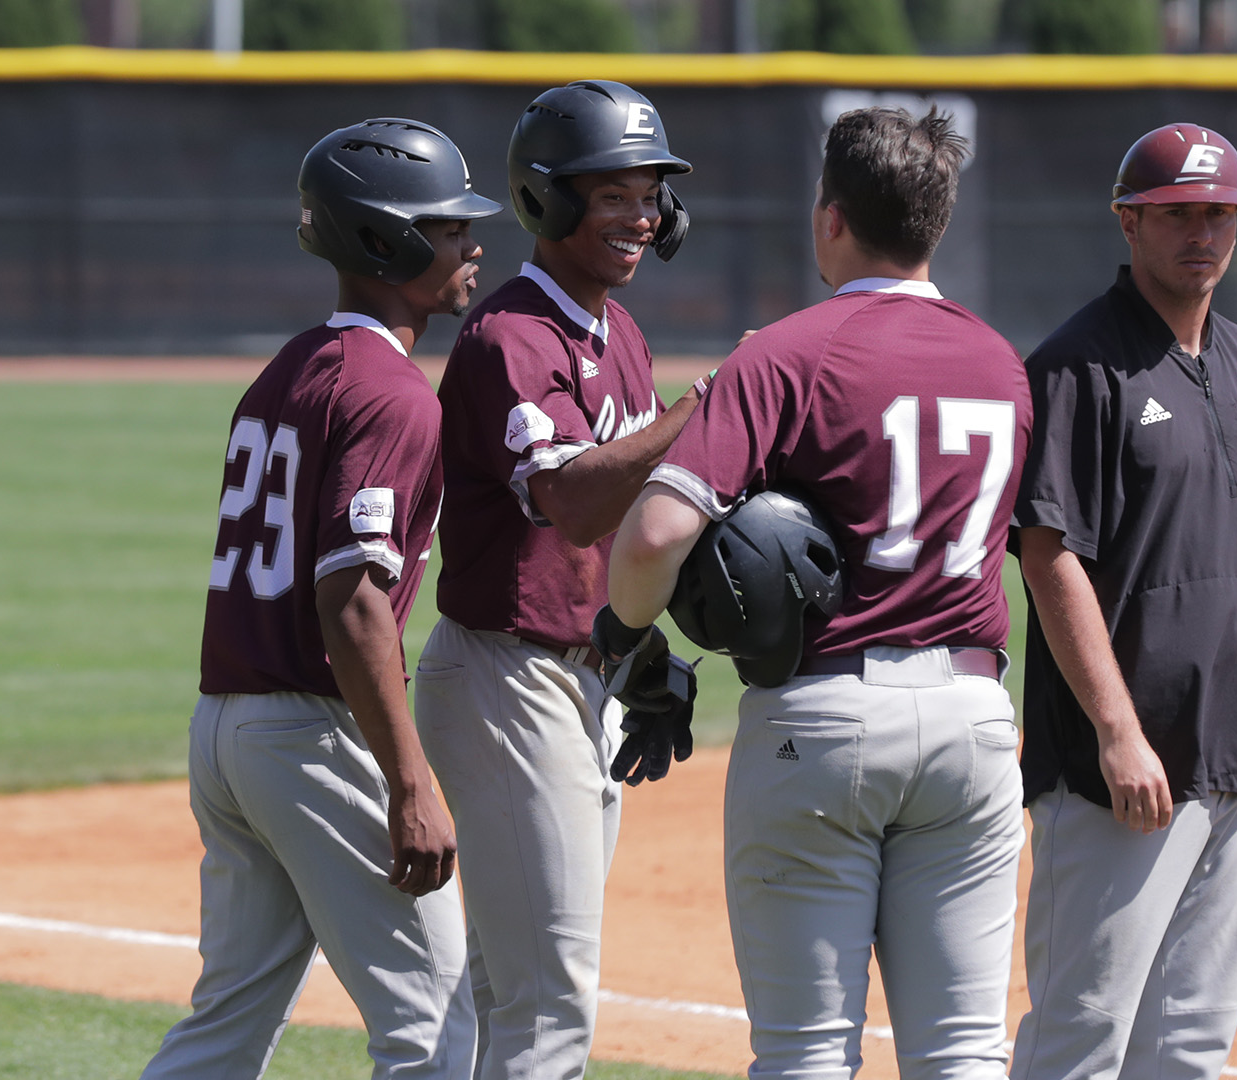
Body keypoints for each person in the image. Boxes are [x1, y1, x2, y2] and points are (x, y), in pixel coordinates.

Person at [604, 105, 1032, 1080]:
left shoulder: (789, 352)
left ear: (830, 217)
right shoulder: (1001, 364)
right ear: (939, 220)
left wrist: (623, 640)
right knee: (964, 1054)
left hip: (825, 720)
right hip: (973, 721)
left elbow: (657, 534)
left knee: (803, 1058)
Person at [139, 117, 501, 1080]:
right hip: (309, 733)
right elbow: (351, 603)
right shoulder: (390, 392)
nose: (473, 243)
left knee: (225, 1027)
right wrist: (412, 784)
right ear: (388, 240)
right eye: (450, 225)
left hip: (227, 729)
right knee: (436, 1033)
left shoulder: (288, 368)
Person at [1007, 123, 1237, 1080]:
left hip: (1234, 759)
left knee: (1191, 1047)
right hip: (1120, 773)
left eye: (1220, 214)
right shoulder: (1078, 366)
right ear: (1128, 220)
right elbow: (1048, 557)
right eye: (1178, 214)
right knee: (1081, 1038)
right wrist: (1116, 730)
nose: (1203, 233)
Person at [411, 80, 701, 1080]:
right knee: (547, 1003)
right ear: (548, 201)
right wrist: (704, 409)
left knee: (507, 984)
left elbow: (626, 524)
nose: (639, 216)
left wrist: (641, 636)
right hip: (507, 679)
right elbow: (573, 502)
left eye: (649, 194)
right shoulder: (510, 339)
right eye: (612, 194)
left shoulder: (617, 333)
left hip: (583, 678)